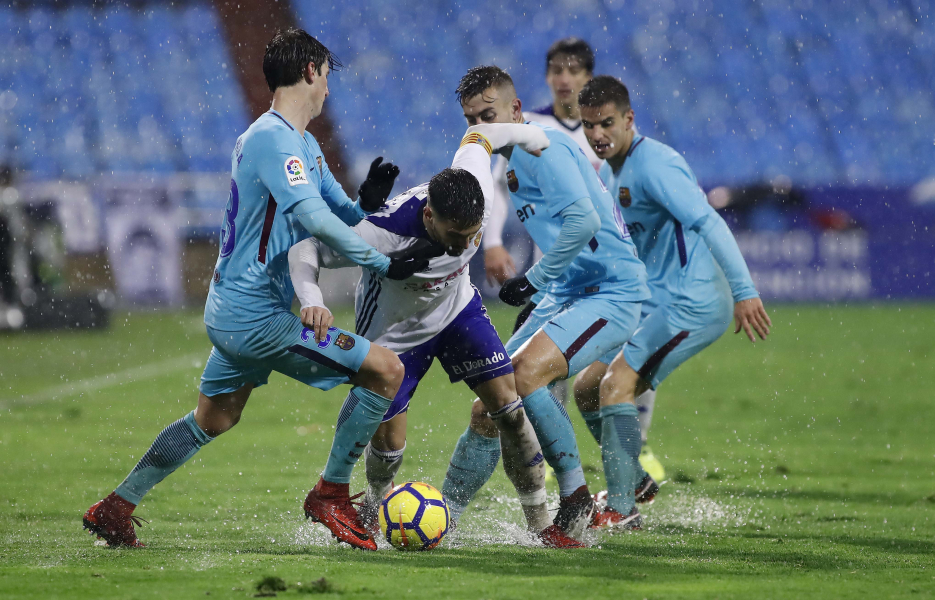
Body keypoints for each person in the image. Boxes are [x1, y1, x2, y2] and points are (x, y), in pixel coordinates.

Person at [82, 28, 436, 551]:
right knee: (386, 370)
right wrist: (382, 262)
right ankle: (332, 494)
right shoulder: (272, 138)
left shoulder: (302, 145)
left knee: (215, 416)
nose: (328, 91)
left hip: (236, 308)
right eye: (327, 78)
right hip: (253, 316)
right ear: (311, 71)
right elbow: (311, 216)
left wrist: (366, 203)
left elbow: (340, 215)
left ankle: (117, 506)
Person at [289, 123, 583, 549]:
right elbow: (306, 250)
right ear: (429, 215)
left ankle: (541, 527)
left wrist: (528, 135)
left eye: (472, 235)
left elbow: (480, 134)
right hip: (396, 333)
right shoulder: (384, 232)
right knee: (389, 448)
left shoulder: (472, 181)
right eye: (455, 236)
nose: (465, 244)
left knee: (509, 406)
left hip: (458, 310)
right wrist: (312, 299)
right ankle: (372, 511)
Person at [443, 66, 650, 537]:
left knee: (525, 374)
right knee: (491, 401)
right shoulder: (514, 159)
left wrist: (533, 280)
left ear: (515, 110)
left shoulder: (545, 148)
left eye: (489, 115)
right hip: (568, 293)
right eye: (471, 120)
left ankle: (575, 501)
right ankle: (444, 518)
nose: (481, 129)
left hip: (610, 291)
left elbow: (584, 224)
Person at [574, 76, 772, 527]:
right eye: (588, 126)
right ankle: (635, 480)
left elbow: (710, 223)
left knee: (614, 386)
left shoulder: (657, 165)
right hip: (656, 301)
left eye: (606, 123)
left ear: (629, 119)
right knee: (587, 386)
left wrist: (744, 291)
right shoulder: (610, 171)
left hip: (691, 302)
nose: (597, 135)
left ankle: (622, 511)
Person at [482, 38, 600, 410]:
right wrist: (492, 242)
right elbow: (498, 187)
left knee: (612, 374)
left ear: (589, 77)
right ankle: (551, 460)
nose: (564, 78)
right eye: (556, 70)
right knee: (537, 372)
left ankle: (635, 451)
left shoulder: (604, 129)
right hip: (553, 272)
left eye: (573, 69)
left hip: (604, 271)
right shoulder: (528, 126)